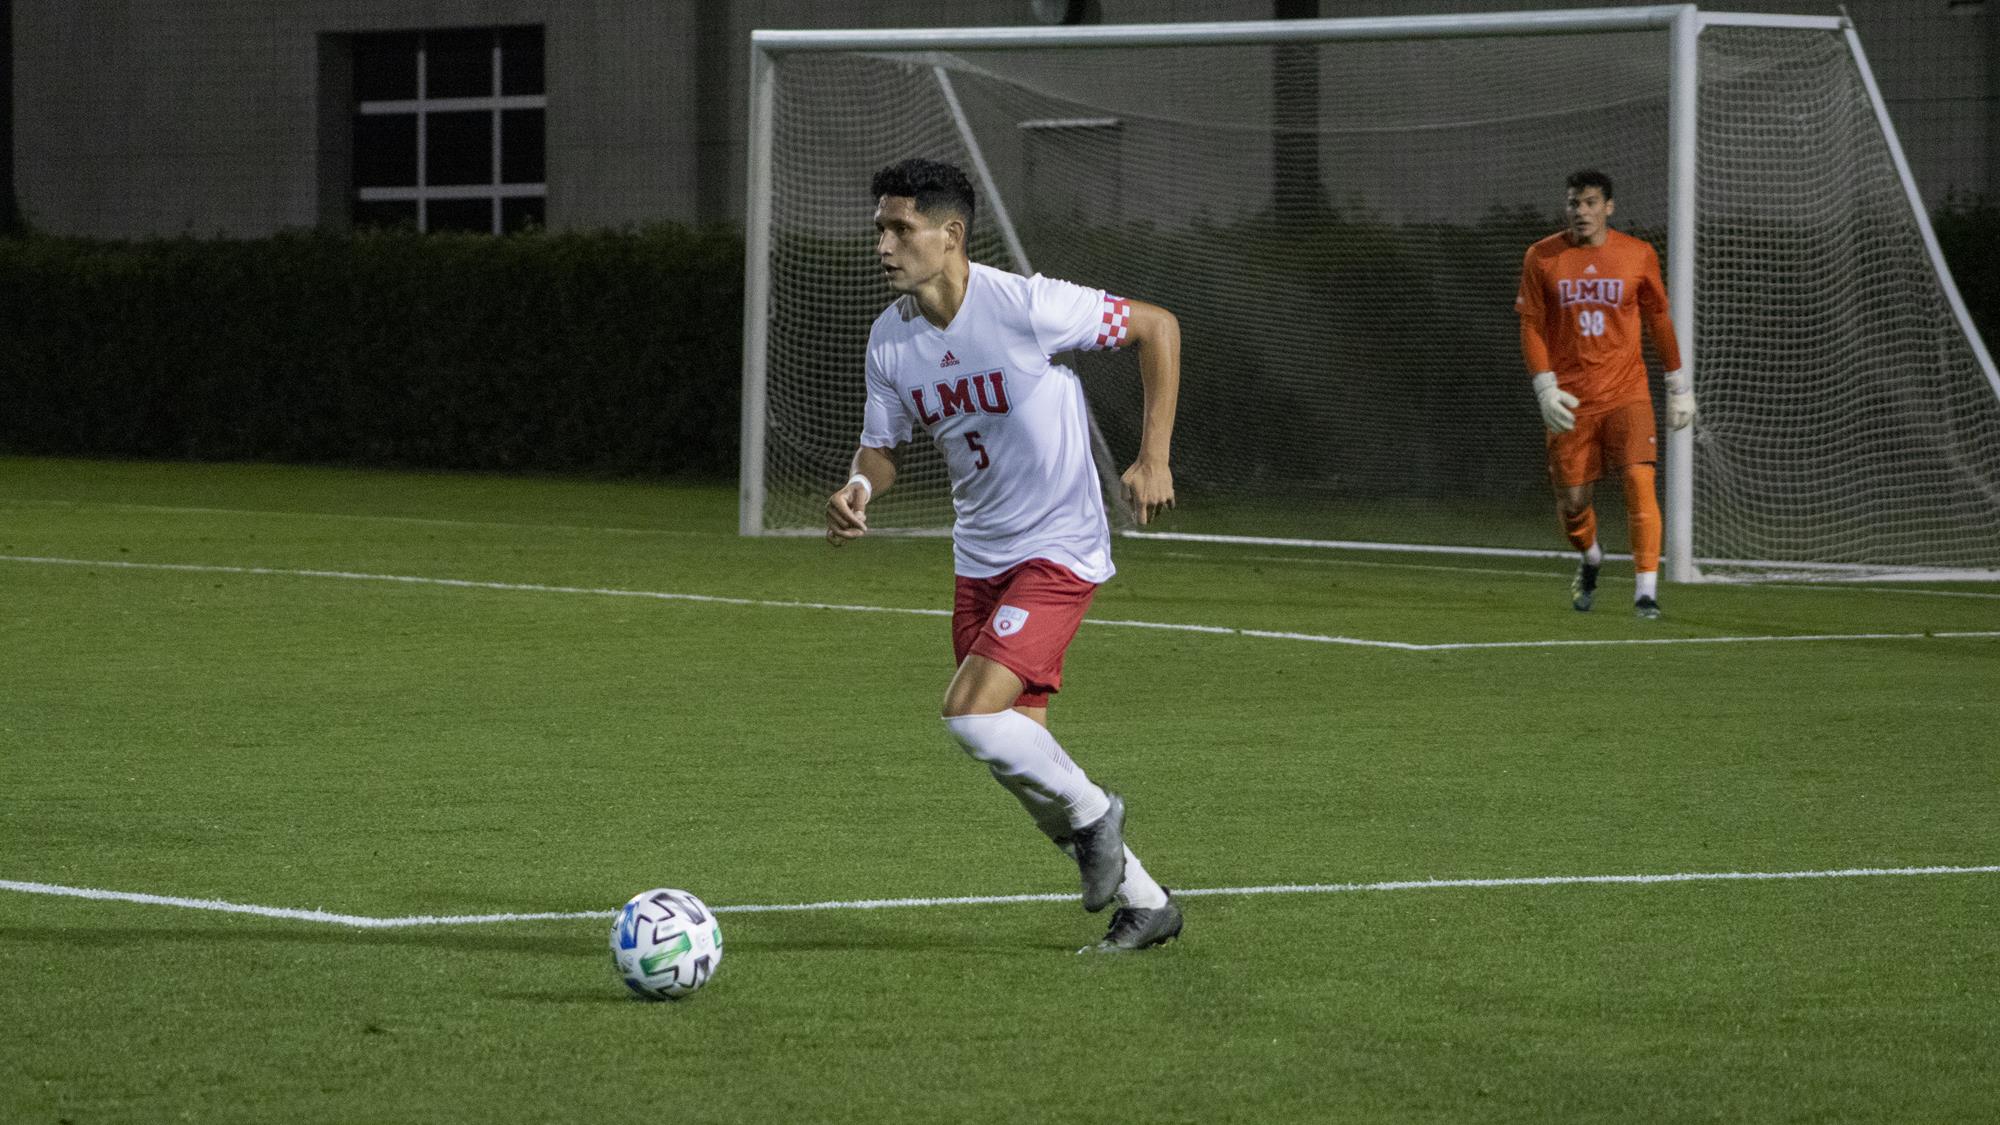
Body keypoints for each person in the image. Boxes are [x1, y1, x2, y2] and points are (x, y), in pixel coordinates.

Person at [824, 158, 1184, 953]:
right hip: (980, 556)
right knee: (1019, 755)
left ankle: (1098, 815)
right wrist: (859, 486)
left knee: (968, 713)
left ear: (950, 235)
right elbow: (882, 445)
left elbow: (1157, 327)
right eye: (880, 229)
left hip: (1059, 545)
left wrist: (1153, 457)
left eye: (901, 229)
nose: (883, 245)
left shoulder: (1024, 305)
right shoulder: (891, 340)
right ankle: (1147, 902)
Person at [1515, 169, 1696, 619]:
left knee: (1639, 480)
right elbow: (1532, 324)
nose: (1581, 211)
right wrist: (1545, 387)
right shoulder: (1542, 256)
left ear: (1609, 208)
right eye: (1574, 203)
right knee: (1574, 504)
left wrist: (1677, 385)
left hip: (1627, 392)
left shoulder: (1637, 254)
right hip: (1571, 400)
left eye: (1591, 203)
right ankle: (1592, 557)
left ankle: (1645, 593)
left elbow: (1658, 320)